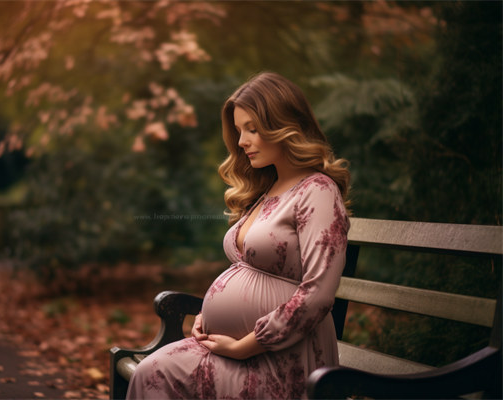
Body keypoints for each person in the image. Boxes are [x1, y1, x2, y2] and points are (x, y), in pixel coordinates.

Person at [126, 71, 351, 399]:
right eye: (238, 130)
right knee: (149, 373)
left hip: (280, 357)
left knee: (158, 377)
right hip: (234, 351)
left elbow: (317, 296)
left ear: (283, 126)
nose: (242, 141)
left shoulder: (317, 191)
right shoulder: (269, 189)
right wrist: (208, 315)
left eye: (253, 129)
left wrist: (246, 346)